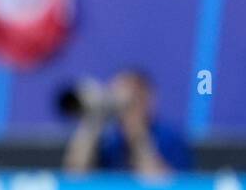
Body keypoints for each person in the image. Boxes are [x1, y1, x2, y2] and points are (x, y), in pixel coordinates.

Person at [61, 69, 191, 178]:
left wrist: (136, 131)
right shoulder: (109, 141)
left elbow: (163, 186)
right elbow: (74, 177)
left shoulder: (169, 138)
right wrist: (93, 119)